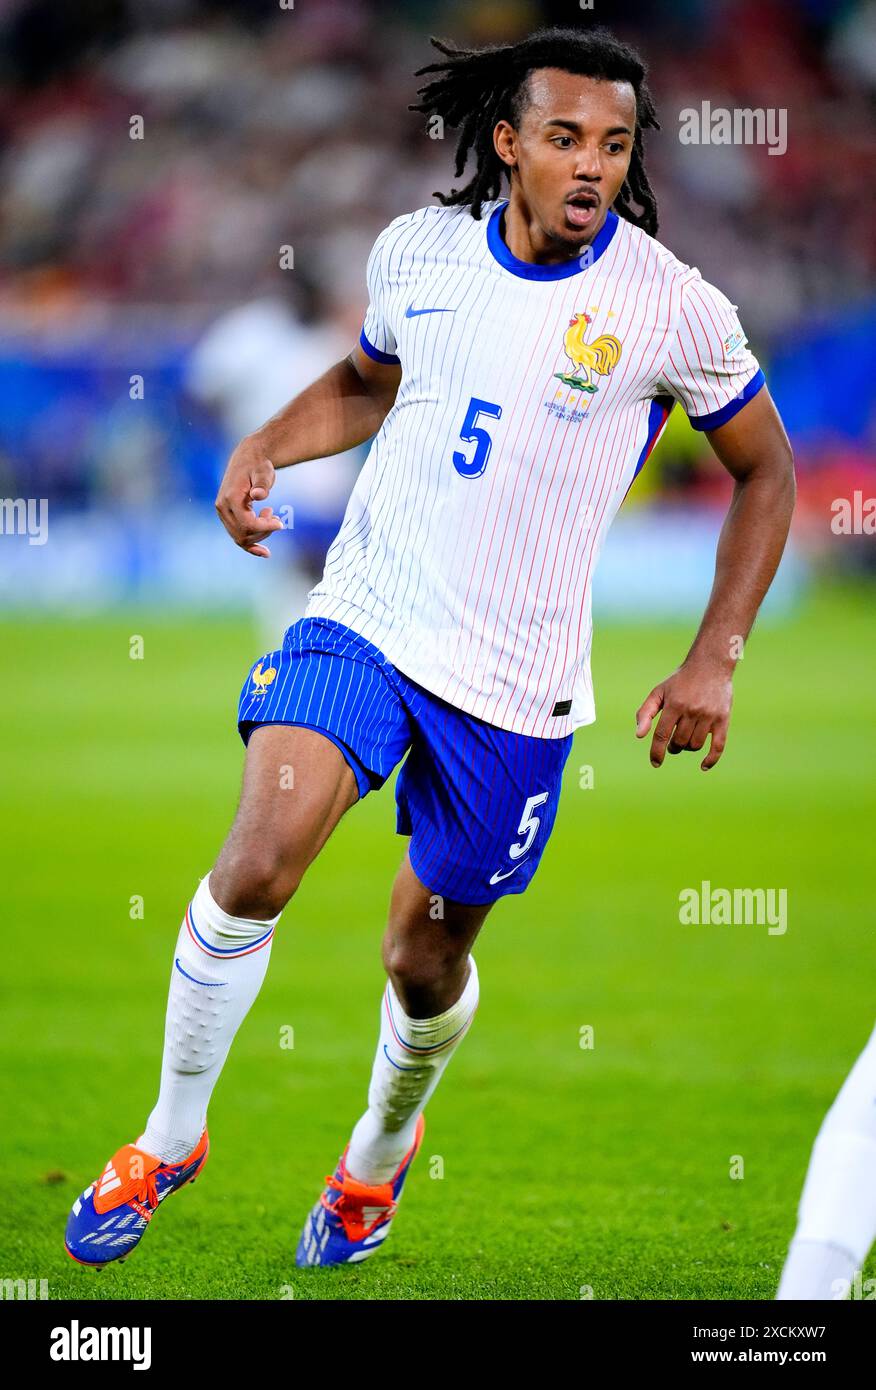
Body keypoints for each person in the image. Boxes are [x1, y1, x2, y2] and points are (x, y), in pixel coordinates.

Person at [65, 24, 795, 1272]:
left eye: (615, 145)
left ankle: (375, 1160)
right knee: (257, 861)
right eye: (565, 138)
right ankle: (170, 1136)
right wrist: (267, 449)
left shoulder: (671, 306)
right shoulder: (420, 250)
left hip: (514, 687)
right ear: (507, 142)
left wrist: (714, 655)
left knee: (422, 953)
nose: (592, 166)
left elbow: (768, 471)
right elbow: (368, 377)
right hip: (368, 615)